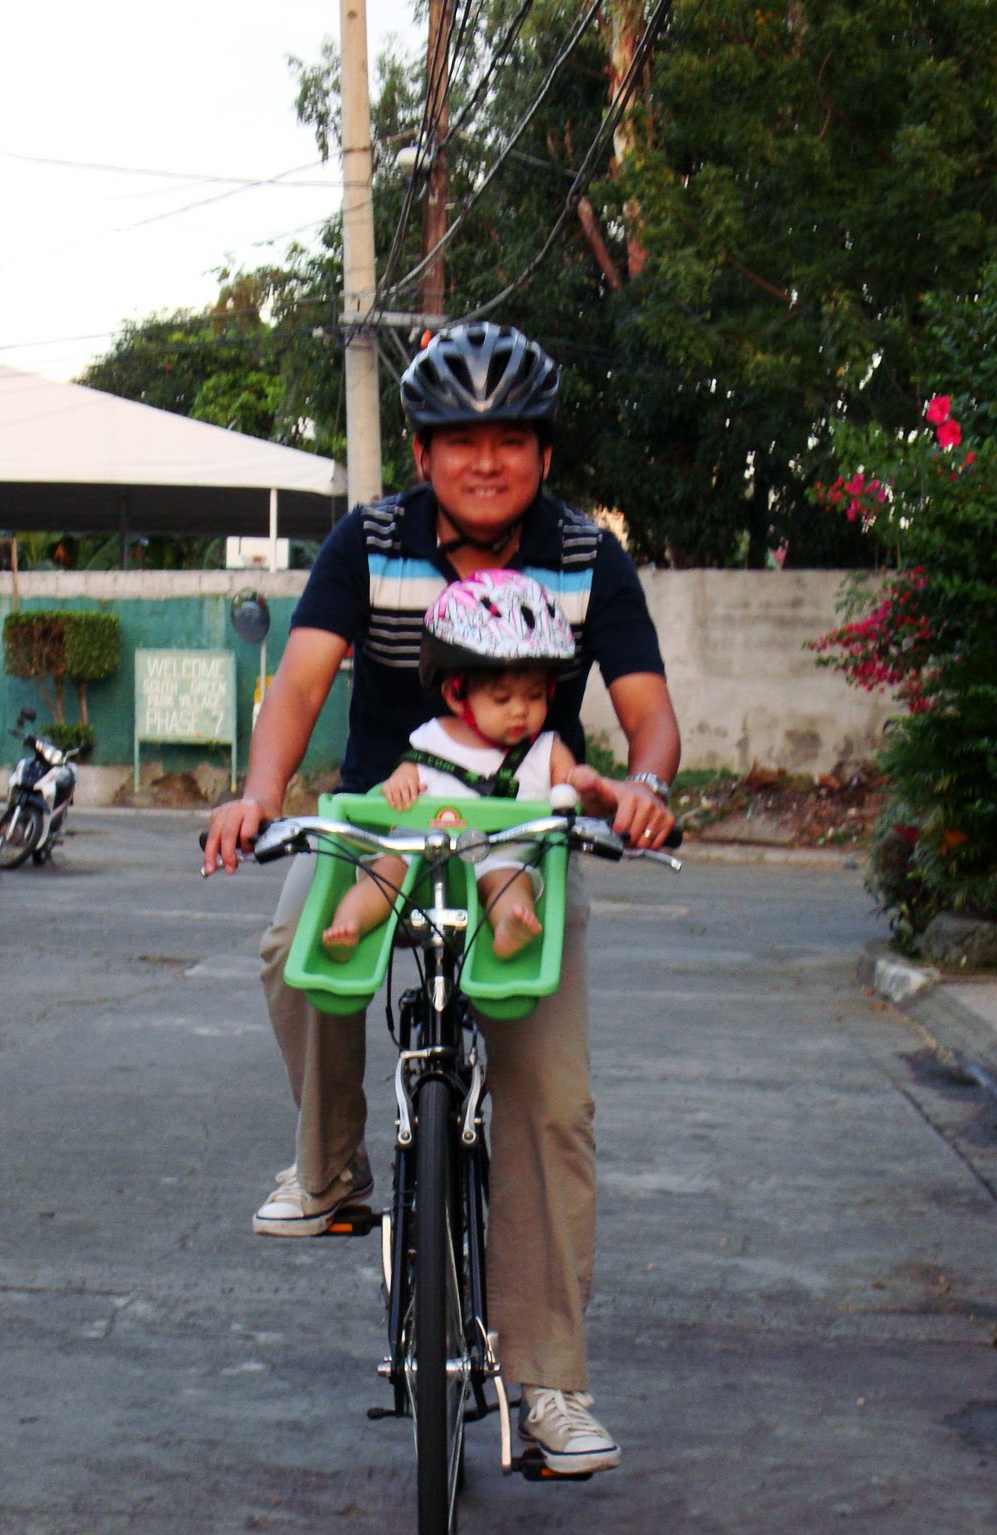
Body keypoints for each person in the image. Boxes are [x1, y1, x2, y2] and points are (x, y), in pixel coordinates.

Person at [203, 321, 680, 1476]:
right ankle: (333, 1168)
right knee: (292, 952)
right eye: (458, 440)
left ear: (544, 454)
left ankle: (551, 1388)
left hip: (525, 831)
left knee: (550, 1102)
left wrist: (648, 786)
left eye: (509, 438)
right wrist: (261, 795)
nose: (484, 461)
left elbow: (646, 710)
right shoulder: (367, 541)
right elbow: (302, 682)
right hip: (386, 814)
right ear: (420, 454)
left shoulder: (583, 554)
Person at [322, 570, 601, 962]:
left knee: (508, 883)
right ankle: (348, 924)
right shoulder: (432, 738)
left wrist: (584, 786)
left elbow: (573, 785)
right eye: (502, 699)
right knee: (385, 870)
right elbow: (407, 774)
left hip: (500, 855)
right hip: (422, 856)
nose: (520, 710)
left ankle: (509, 927)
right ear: (456, 694)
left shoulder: (547, 749)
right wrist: (398, 785)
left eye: (535, 696)